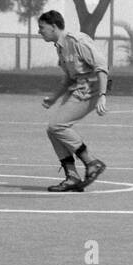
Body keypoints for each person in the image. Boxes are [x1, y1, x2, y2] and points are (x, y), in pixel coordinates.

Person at [37, 11, 108, 192]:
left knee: (57, 126)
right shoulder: (60, 46)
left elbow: (101, 67)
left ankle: (91, 162)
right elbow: (69, 77)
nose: (39, 32)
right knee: (52, 130)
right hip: (77, 89)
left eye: (42, 28)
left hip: (89, 91)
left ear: (54, 27)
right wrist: (54, 98)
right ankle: (72, 176)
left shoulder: (77, 41)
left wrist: (102, 95)